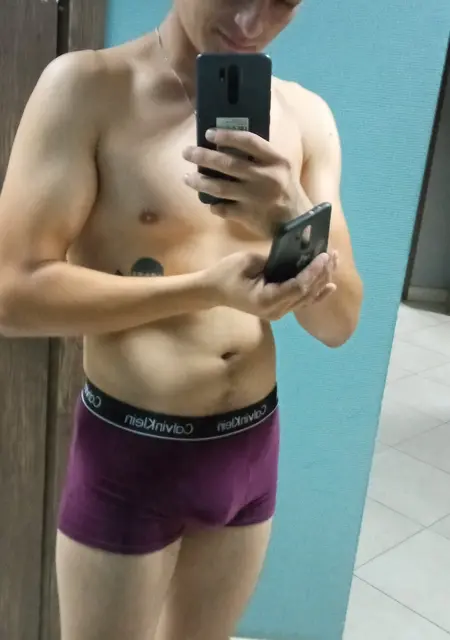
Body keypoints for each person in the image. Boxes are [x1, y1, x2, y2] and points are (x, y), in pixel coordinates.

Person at [0, 1, 363, 638]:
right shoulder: (88, 89)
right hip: (131, 454)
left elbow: (338, 324)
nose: (251, 23)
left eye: (281, 1)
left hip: (250, 446)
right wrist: (203, 289)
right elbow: (13, 295)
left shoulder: (308, 117)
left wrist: (291, 212)